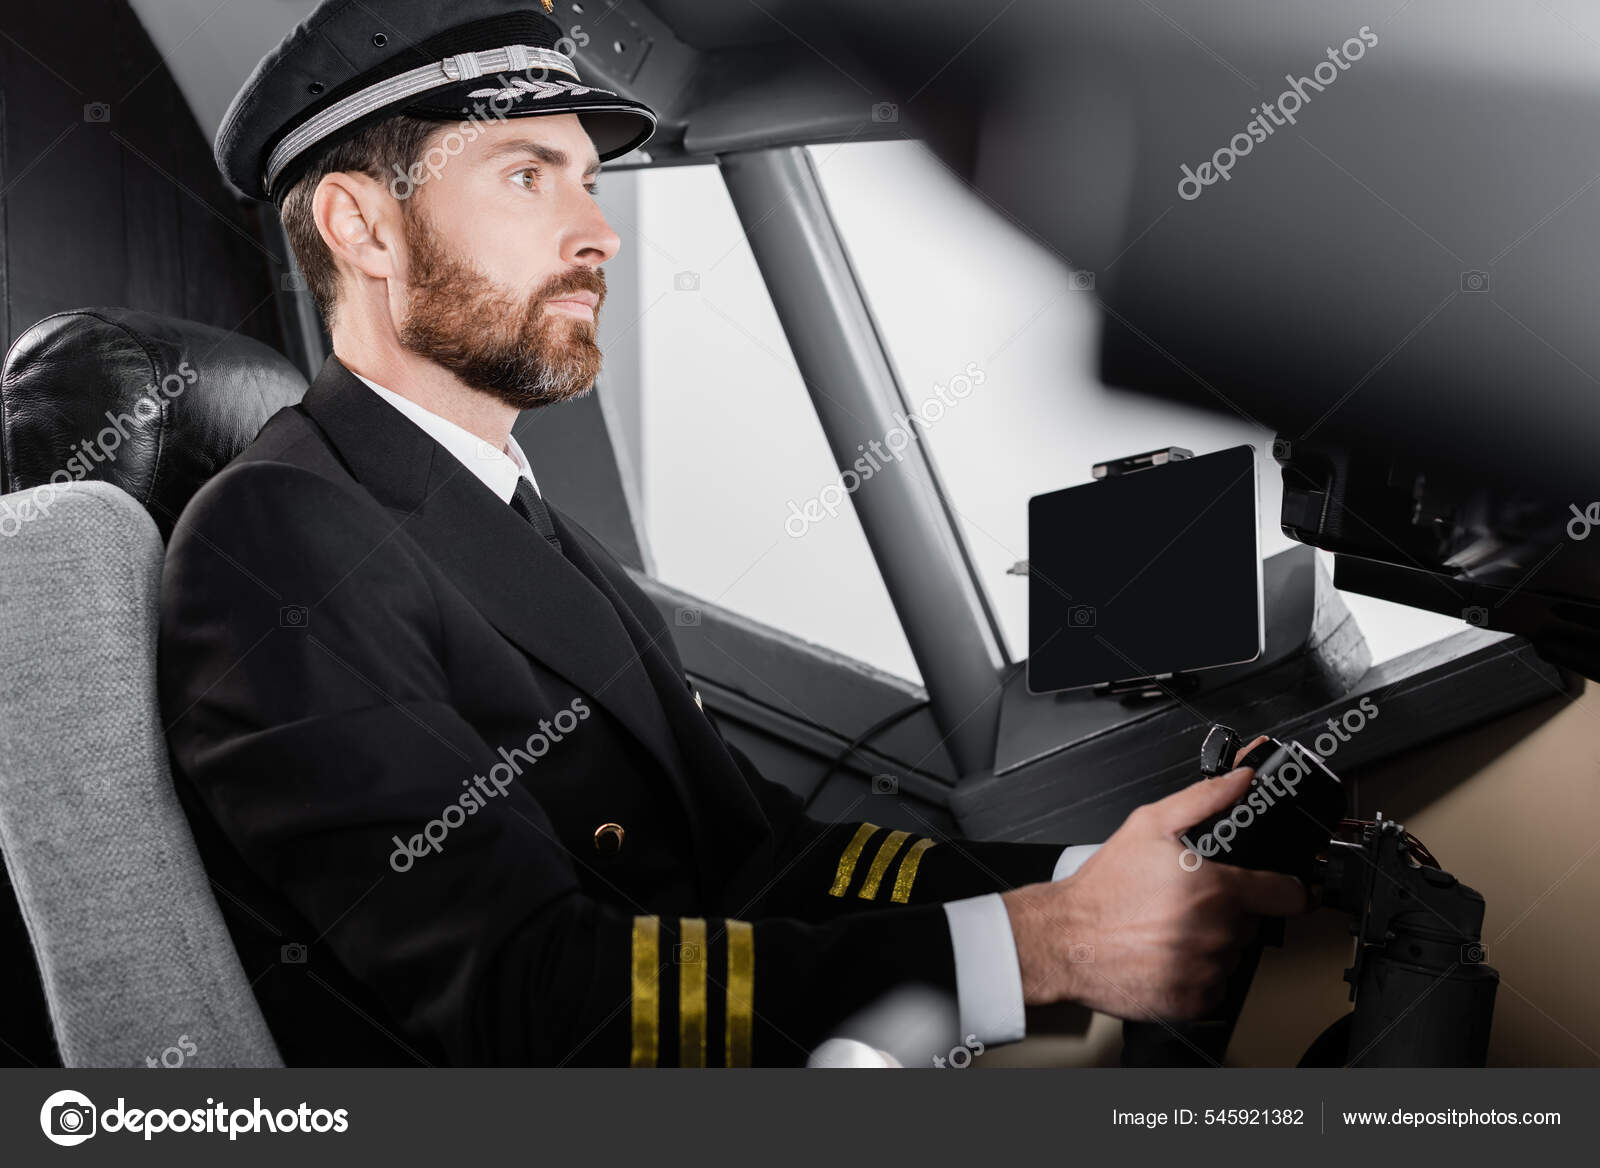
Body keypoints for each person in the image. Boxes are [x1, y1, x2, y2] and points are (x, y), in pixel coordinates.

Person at [160, 0, 1306, 1067]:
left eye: (592, 183)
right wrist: (1037, 947)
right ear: (360, 224)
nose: (599, 232)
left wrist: (1085, 879)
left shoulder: (507, 512)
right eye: (527, 175)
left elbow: (762, 854)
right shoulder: (276, 540)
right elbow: (522, 996)